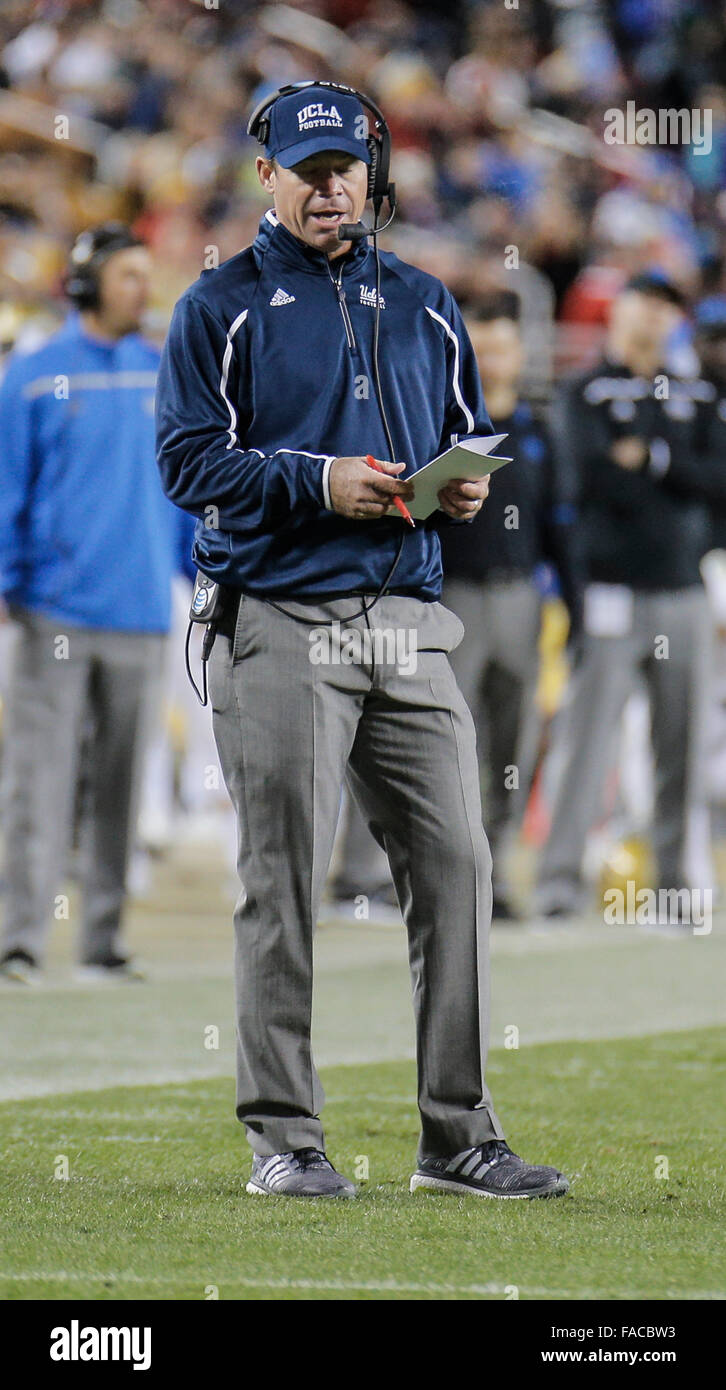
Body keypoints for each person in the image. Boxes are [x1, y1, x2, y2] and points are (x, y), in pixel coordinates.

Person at [156, 80, 569, 1200]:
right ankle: (285, 1135)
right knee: (281, 877)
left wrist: (458, 494)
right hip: (280, 614)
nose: (331, 185)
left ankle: (458, 1136)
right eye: (309, 169)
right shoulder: (219, 306)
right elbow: (188, 463)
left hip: (407, 619)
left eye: (347, 167)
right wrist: (317, 481)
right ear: (267, 177)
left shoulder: (428, 302)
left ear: (372, 172)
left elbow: (457, 441)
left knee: (456, 863)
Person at [0, 223, 185, 983]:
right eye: (128, 274)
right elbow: (7, 488)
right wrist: (15, 583)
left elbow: (190, 496)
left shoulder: (166, 376)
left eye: (147, 273)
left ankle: (102, 943)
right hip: (58, 612)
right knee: (37, 783)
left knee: (120, 788)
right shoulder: (33, 375)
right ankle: (19, 941)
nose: (143, 288)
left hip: (143, 611)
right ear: (87, 283)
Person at [534, 272, 716, 919]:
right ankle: (558, 887)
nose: (655, 317)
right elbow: (589, 478)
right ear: (621, 311)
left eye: (668, 307)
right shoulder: (584, 389)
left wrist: (656, 460)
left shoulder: (698, 390)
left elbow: (719, 481)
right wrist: (679, 476)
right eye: (646, 303)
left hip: (684, 592)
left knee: (683, 747)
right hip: (610, 590)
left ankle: (672, 888)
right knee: (587, 747)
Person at [440, 292, 582, 920]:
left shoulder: (538, 430)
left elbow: (561, 529)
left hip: (522, 598)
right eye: (483, 346)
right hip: (452, 598)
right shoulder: (440, 424)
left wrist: (573, 608)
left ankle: (493, 875)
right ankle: (444, 874)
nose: (494, 359)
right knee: (445, 741)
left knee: (512, 744)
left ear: (522, 353)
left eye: (503, 346)